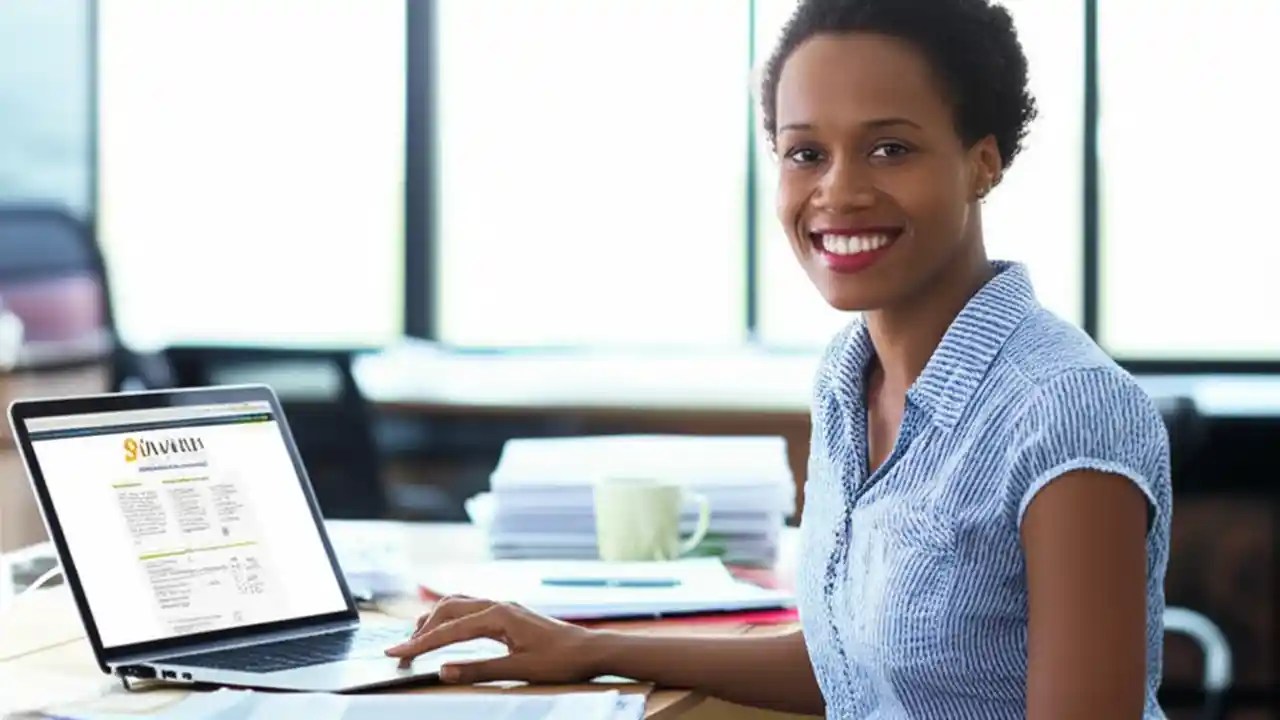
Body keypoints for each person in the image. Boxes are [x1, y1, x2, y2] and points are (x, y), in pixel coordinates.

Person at [386, 0, 1172, 716]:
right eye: (805, 154)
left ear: (982, 162)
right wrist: (587, 648)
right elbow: (853, 667)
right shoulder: (846, 378)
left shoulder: (1064, 411)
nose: (839, 192)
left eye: (889, 148)